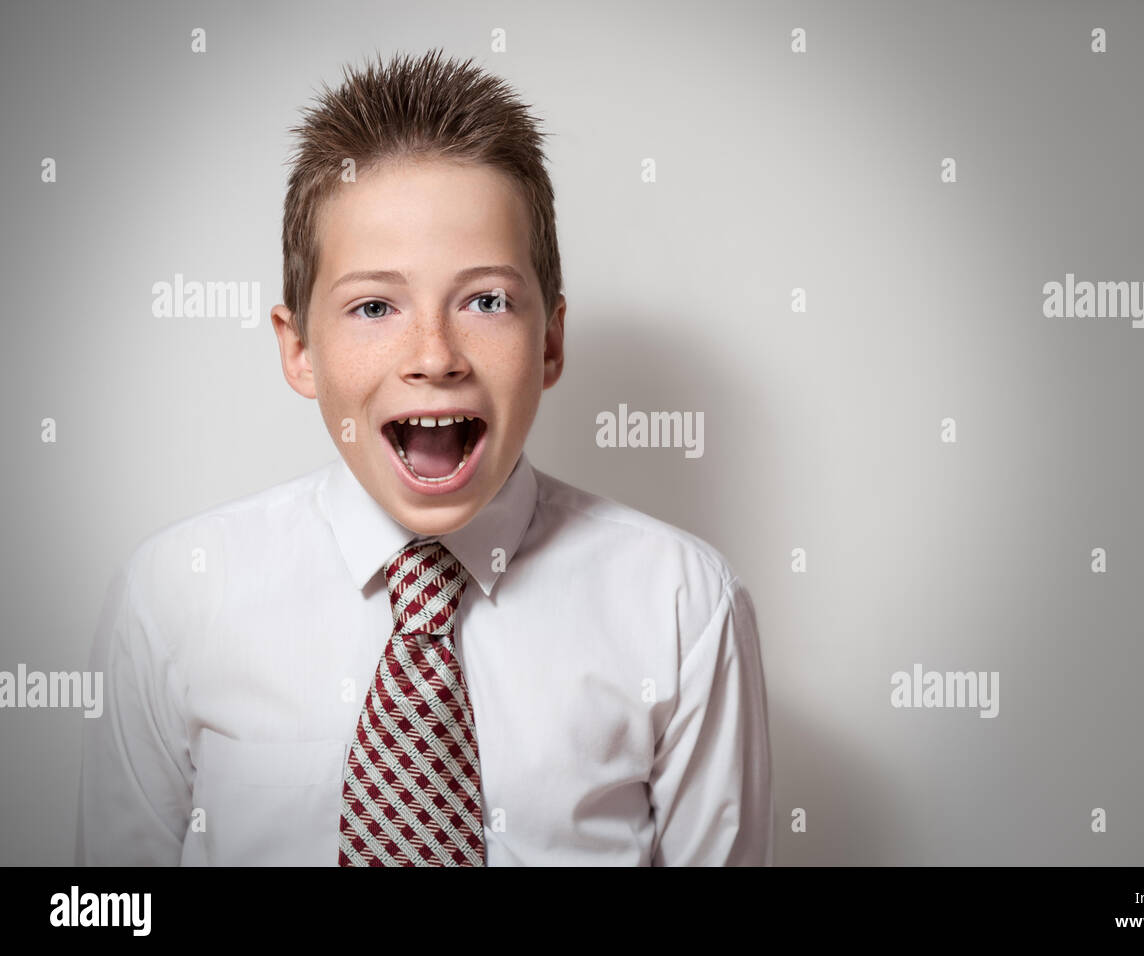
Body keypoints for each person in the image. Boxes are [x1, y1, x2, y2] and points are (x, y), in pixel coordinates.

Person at [75, 49, 772, 866]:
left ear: (550, 342)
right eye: (374, 306)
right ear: (299, 349)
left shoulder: (683, 609)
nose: (435, 355)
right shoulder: (173, 597)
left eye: (486, 301)